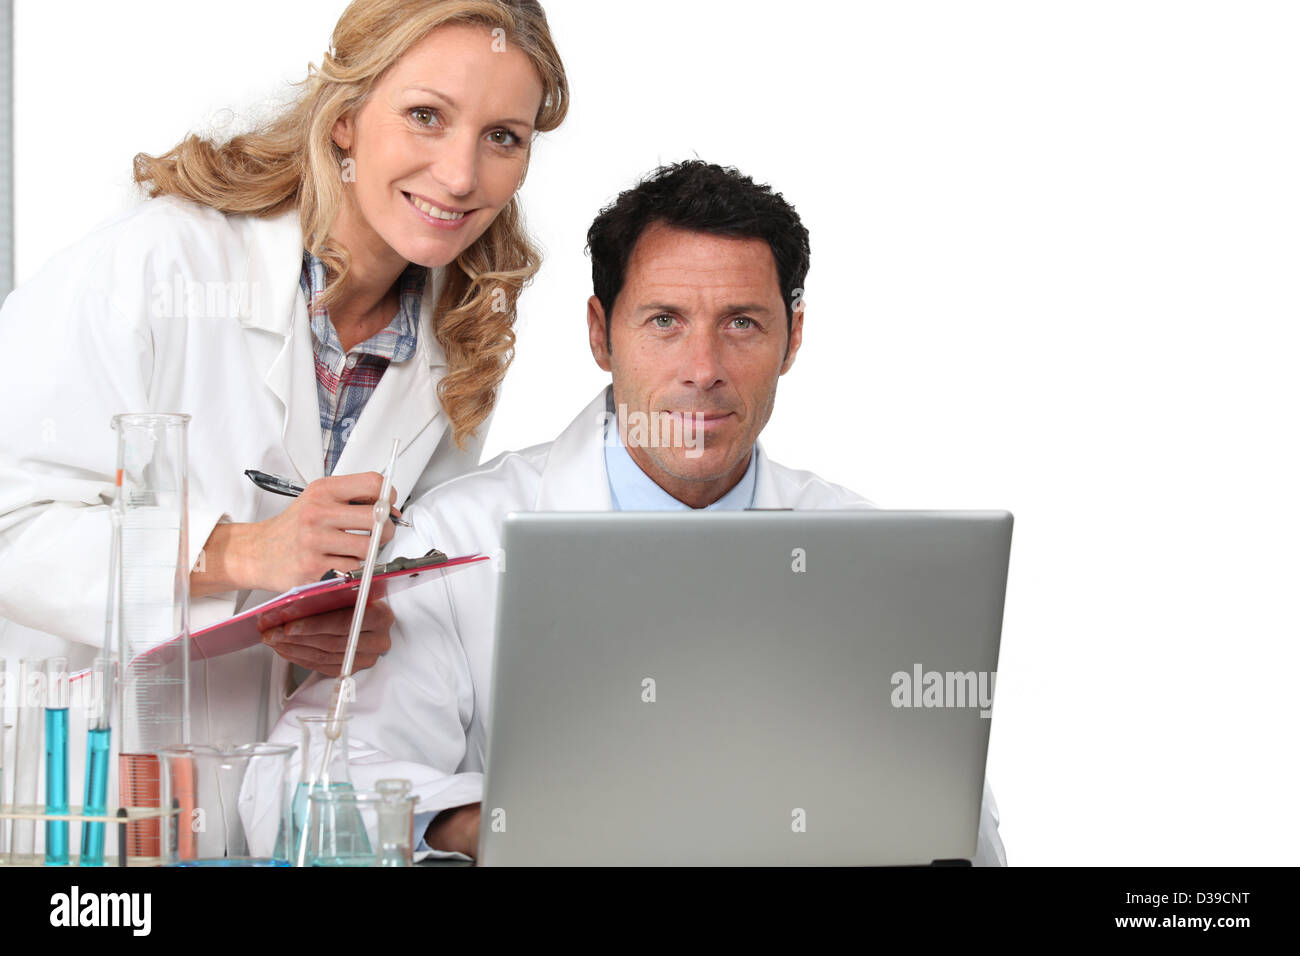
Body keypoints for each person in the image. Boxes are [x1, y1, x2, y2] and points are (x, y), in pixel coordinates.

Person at [270, 161, 1008, 865]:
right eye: (664, 320)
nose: (703, 368)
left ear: (794, 338)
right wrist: (487, 824)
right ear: (600, 333)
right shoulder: (455, 539)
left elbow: (957, 824)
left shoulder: (869, 555)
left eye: (743, 323)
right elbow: (296, 781)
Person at [0, 0, 569, 746]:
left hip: (282, 794)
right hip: (82, 778)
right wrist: (243, 551)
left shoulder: (460, 335)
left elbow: (394, 577)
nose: (461, 175)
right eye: (426, 115)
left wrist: (363, 627)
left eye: (502, 137)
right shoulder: (157, 266)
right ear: (345, 119)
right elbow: (14, 528)